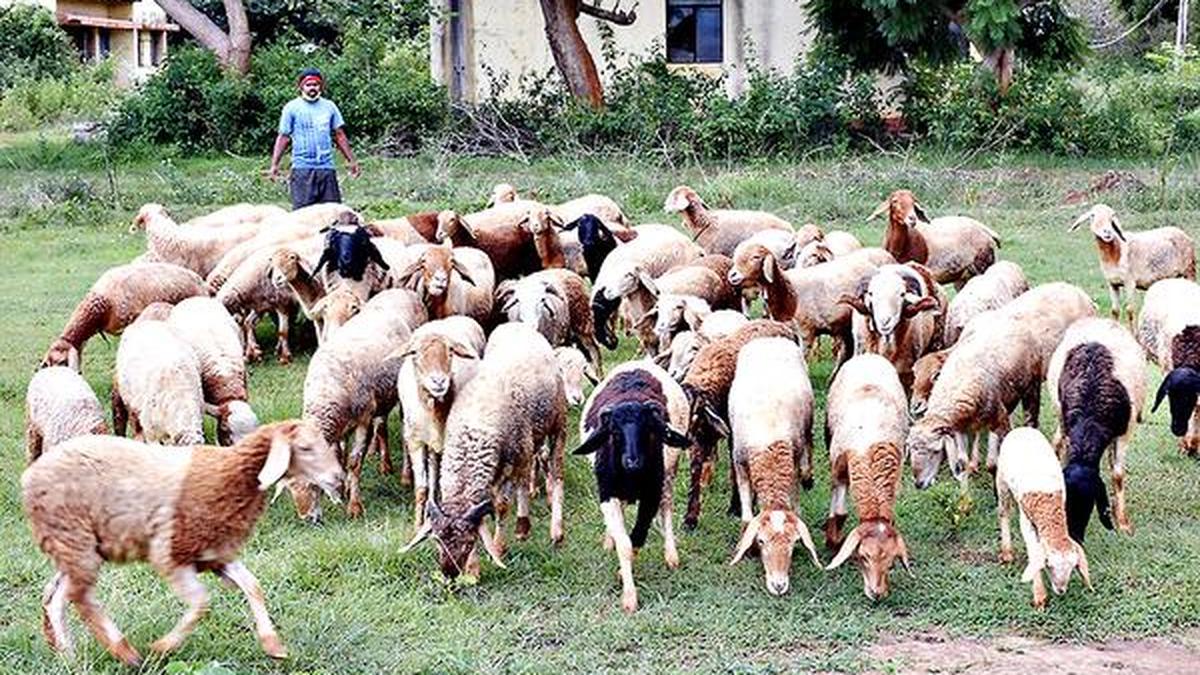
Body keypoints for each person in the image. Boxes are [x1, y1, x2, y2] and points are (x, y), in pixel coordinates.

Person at [266, 67, 361, 209]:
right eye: (308, 85)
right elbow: (283, 137)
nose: (312, 88)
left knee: (333, 213)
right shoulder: (291, 108)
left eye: (315, 85)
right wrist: (274, 165)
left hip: (326, 168)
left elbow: (339, 135)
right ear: (301, 87)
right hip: (302, 169)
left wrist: (351, 161)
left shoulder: (330, 107)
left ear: (320, 86)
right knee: (303, 215)